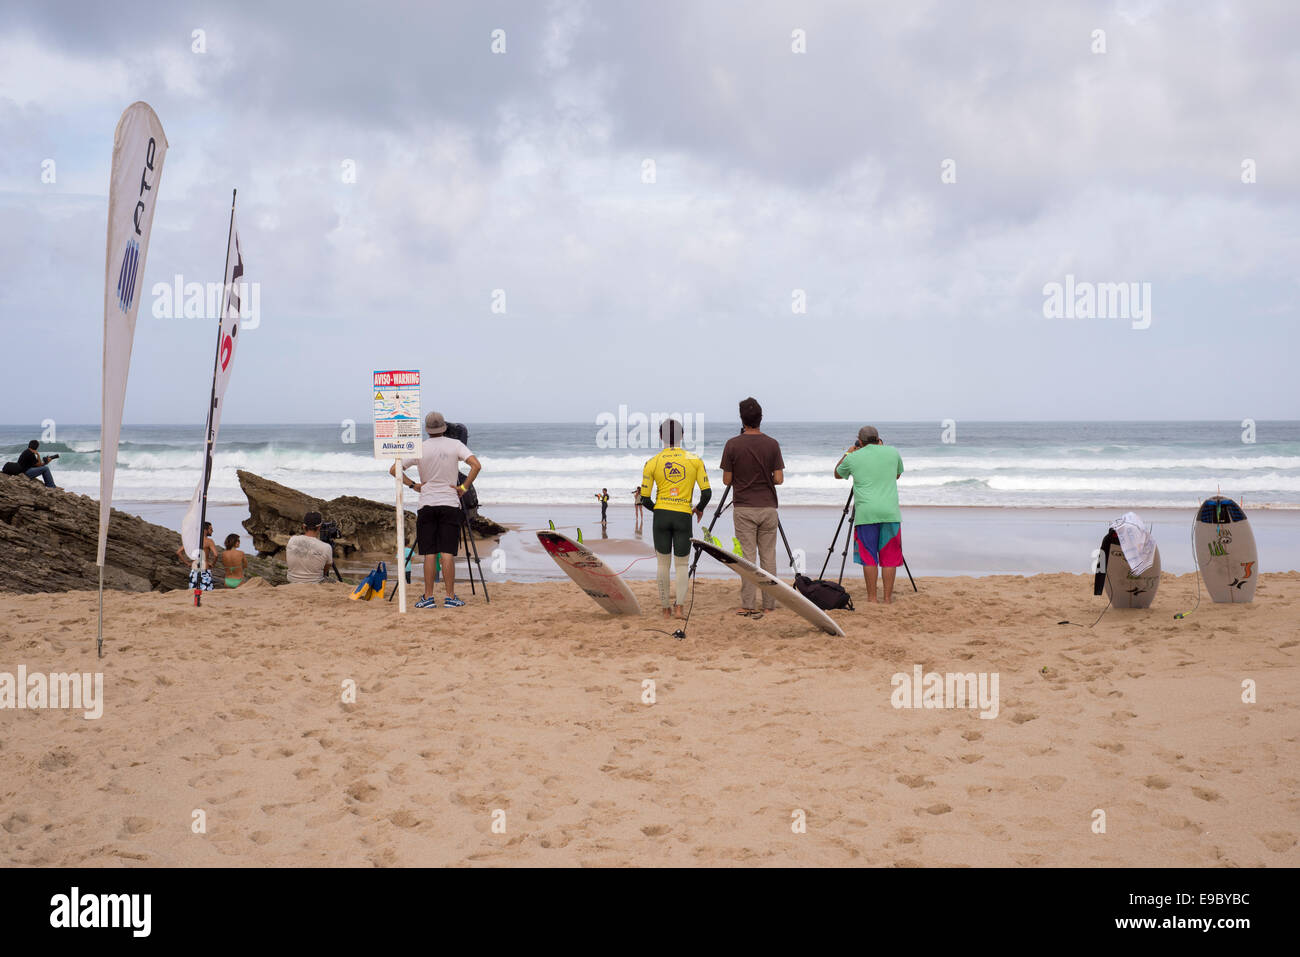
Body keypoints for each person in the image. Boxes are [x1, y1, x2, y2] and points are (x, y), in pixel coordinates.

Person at [391, 411, 481, 608]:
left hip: (427, 504)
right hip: (450, 503)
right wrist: (464, 487)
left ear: (427, 430)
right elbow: (476, 465)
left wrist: (413, 485)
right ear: (444, 428)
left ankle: (428, 597)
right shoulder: (456, 445)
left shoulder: (419, 448)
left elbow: (394, 470)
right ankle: (450, 597)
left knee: (429, 554)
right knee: (447, 552)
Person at [719, 397, 785, 618]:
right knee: (769, 557)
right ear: (761, 418)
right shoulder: (772, 444)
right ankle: (769, 604)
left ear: (742, 419)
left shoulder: (732, 444)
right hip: (768, 507)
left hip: (745, 508)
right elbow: (779, 479)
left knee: (747, 558)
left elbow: (727, 480)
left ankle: (748, 604)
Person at [640, 418, 711, 619]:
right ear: (683, 436)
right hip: (683, 516)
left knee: (662, 564)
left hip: (661, 515)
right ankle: (679, 607)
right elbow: (707, 493)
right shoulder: (695, 460)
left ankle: (665, 609)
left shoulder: (652, 462)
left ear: (661, 436)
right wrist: (698, 509)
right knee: (681, 565)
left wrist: (661, 510)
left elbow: (644, 499)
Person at [834, 425, 905, 604]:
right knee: (889, 557)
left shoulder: (854, 457)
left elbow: (837, 473)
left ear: (860, 441)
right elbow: (896, 475)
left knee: (869, 556)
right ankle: (887, 598)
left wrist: (849, 452)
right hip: (890, 512)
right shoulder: (892, 452)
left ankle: (872, 598)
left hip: (866, 514)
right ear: (878, 438)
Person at [286, 511, 335, 584]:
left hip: (292, 580)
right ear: (319, 527)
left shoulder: (292, 540)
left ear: (303, 526)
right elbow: (326, 569)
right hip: (314, 583)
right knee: (334, 582)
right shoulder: (326, 547)